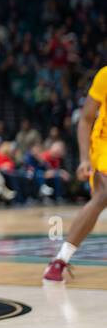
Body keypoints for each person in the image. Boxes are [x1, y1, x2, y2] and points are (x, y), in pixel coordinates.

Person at [44, 65, 107, 280]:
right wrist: (84, 159)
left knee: (101, 198)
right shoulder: (105, 75)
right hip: (103, 144)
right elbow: (86, 118)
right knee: (104, 193)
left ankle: (61, 259)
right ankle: (60, 260)